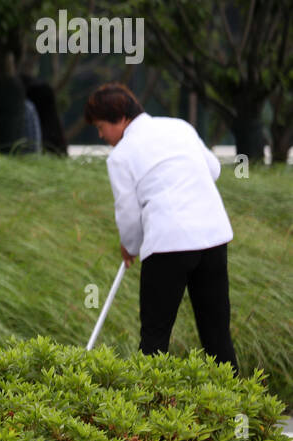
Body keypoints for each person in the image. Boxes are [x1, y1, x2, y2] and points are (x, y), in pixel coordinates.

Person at [85, 83, 238, 370]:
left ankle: (150, 411)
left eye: (101, 125)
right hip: (213, 237)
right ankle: (239, 411)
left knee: (155, 337)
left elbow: (129, 215)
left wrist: (129, 247)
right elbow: (213, 169)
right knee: (217, 333)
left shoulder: (120, 156)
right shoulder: (179, 127)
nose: (101, 134)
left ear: (120, 118)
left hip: (168, 244)